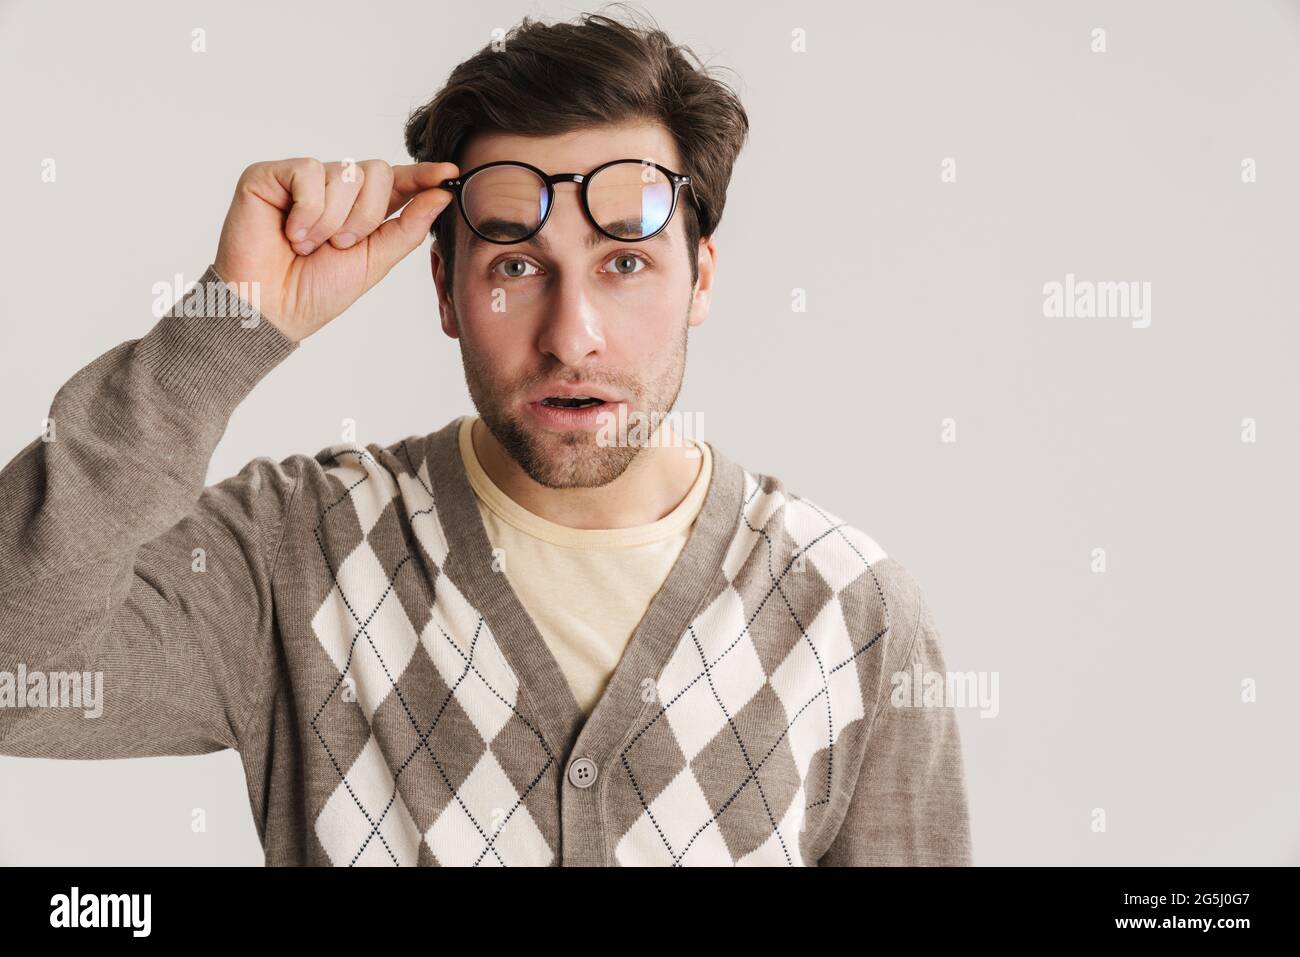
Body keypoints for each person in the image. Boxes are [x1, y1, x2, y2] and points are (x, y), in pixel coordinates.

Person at [0, 7, 972, 866]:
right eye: (514, 264)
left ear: (702, 277)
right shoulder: (294, 556)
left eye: (625, 262)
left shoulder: (848, 614)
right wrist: (231, 323)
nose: (570, 335)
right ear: (444, 290)